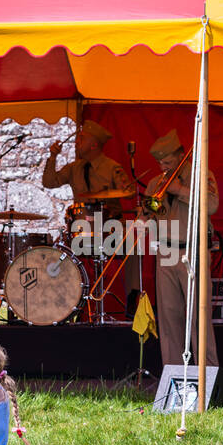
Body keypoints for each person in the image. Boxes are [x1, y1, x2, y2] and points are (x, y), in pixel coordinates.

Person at [138, 130, 219, 367]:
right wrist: (143, 215)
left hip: (193, 250)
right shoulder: (155, 182)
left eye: (168, 162)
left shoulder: (201, 174)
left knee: (198, 315)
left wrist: (179, 191)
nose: (164, 167)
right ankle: (172, 371)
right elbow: (145, 218)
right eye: (160, 163)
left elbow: (212, 204)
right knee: (169, 315)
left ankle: (207, 371)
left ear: (182, 155)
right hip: (166, 251)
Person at [43, 119, 139, 310]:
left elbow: (128, 191)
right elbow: (49, 182)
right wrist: (52, 157)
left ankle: (132, 301)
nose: (77, 142)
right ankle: (66, 305)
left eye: (82, 138)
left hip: (109, 227)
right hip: (81, 229)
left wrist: (121, 189)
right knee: (59, 255)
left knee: (133, 252)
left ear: (94, 144)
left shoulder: (112, 168)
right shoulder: (74, 168)